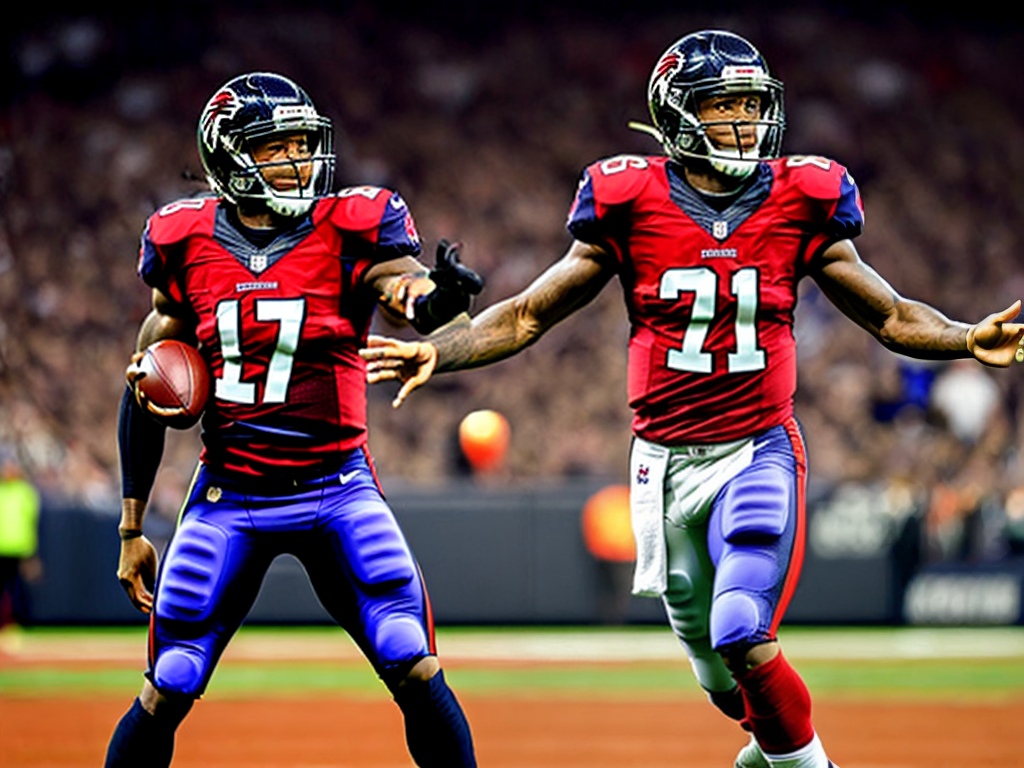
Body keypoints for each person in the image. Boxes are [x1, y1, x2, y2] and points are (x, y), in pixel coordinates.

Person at [360, 30, 1024, 768]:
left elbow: (893, 313)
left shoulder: (802, 196)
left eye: (751, 105)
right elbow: (525, 315)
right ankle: (775, 755)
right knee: (718, 675)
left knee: (742, 629)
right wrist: (440, 349)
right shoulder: (627, 198)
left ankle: (810, 765)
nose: (744, 124)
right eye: (722, 106)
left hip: (757, 450)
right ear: (676, 117)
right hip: (662, 465)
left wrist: (966, 337)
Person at [105, 72, 482, 768]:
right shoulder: (182, 240)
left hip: (336, 487)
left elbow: (402, 287)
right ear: (230, 157)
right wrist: (132, 528)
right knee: (171, 679)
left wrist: (439, 300)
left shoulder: (351, 226)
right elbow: (144, 387)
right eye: (277, 148)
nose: (298, 163)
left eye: (303, 146)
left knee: (410, 654)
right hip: (231, 493)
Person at [0, 455, 42, 630]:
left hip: (20, 548)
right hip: (2, 548)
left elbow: (31, 523)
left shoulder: (25, 492)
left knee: (18, 588)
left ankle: (19, 621)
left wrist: (31, 553)